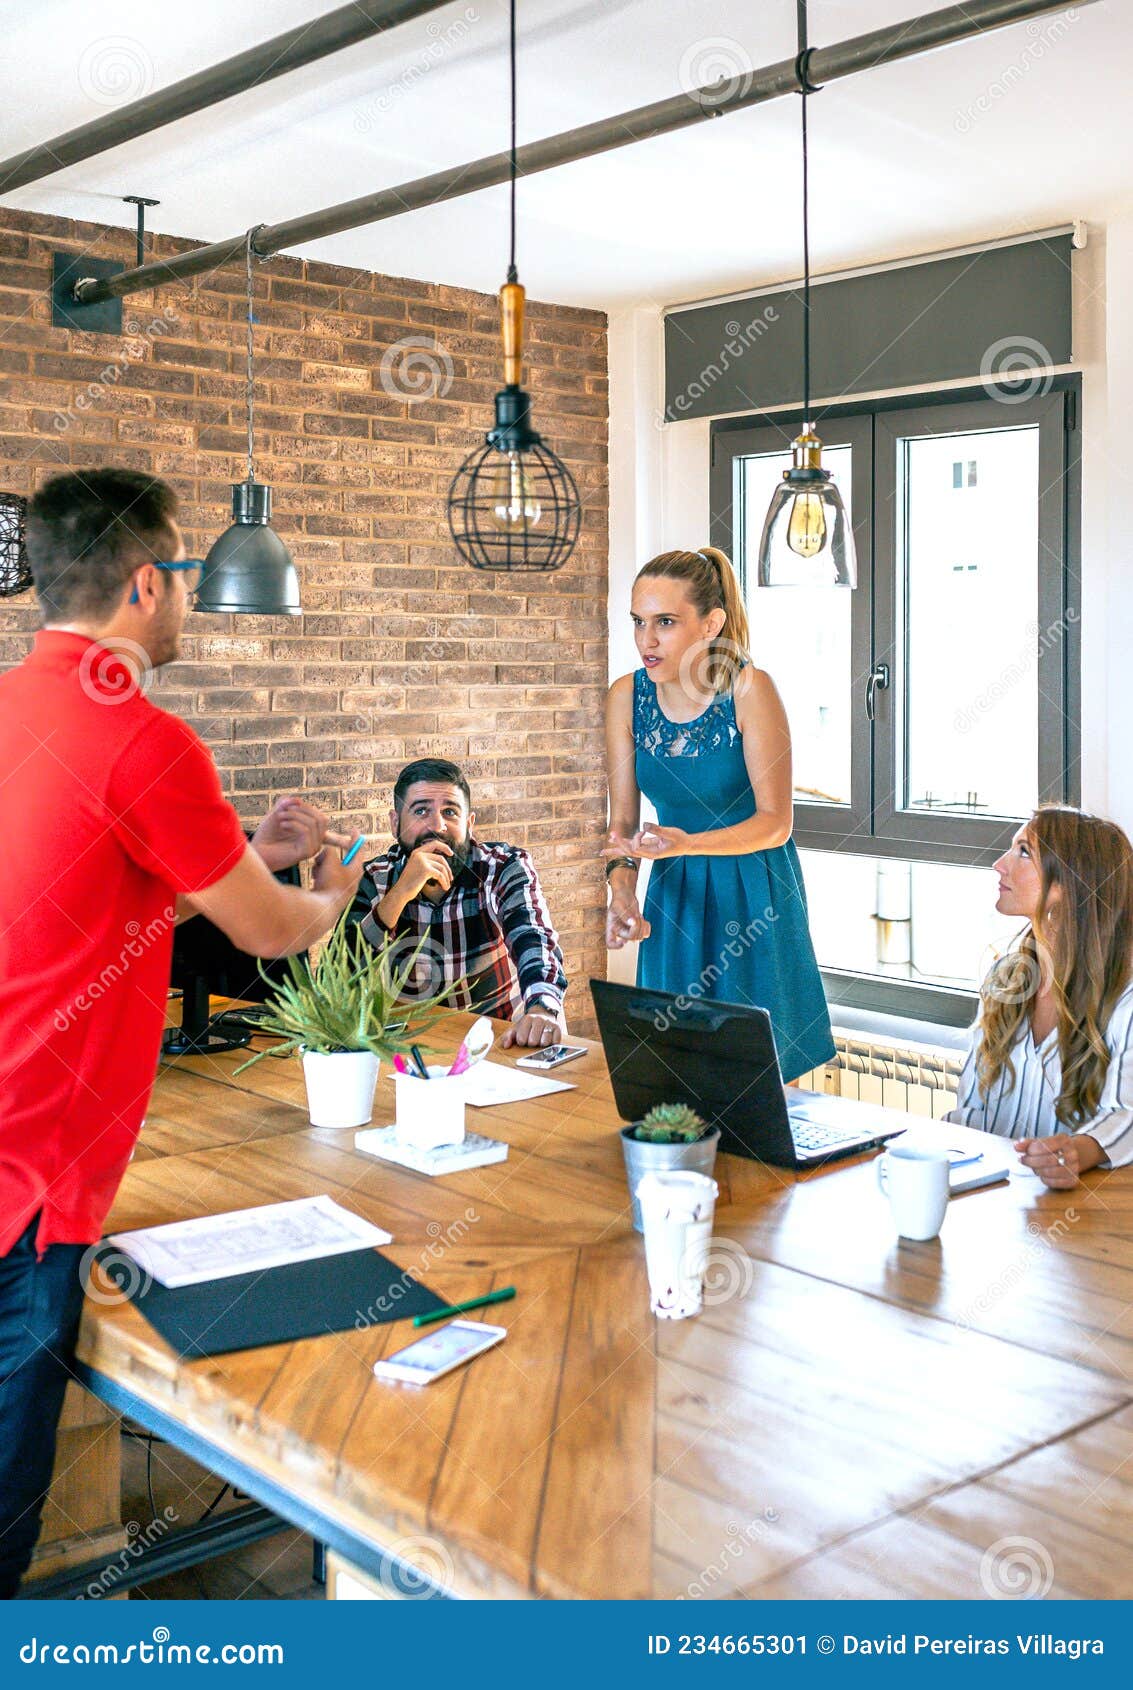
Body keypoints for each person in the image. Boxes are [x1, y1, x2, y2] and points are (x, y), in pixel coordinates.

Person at [0, 468, 365, 1598]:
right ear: (147, 583)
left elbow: (70, 880)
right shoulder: (146, 737)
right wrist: (337, 890)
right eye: (188, 580)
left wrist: (231, 844)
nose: (193, 603)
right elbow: (267, 932)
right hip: (29, 1186)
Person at [604, 546, 834, 1081]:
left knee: (761, 1082)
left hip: (754, 891)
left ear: (711, 624)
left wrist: (686, 843)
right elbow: (622, 826)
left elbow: (777, 822)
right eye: (638, 622)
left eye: (665, 622)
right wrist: (621, 893)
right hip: (675, 898)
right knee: (676, 1076)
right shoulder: (625, 696)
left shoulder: (751, 690)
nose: (646, 640)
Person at [946, 805, 1133, 1189]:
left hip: (1075, 1219)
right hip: (989, 1199)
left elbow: (1126, 1115)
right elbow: (970, 1109)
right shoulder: (1006, 977)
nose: (999, 865)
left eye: (1023, 852)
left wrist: (1077, 1152)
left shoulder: (1124, 1000)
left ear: (1069, 883)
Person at [348, 758, 567, 1048]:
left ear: (469, 823)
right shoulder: (375, 878)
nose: (437, 826)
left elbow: (534, 939)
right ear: (395, 822)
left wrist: (541, 1009)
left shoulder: (504, 868)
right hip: (409, 1047)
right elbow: (339, 974)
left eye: (450, 812)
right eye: (421, 810)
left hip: (498, 1042)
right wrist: (400, 893)